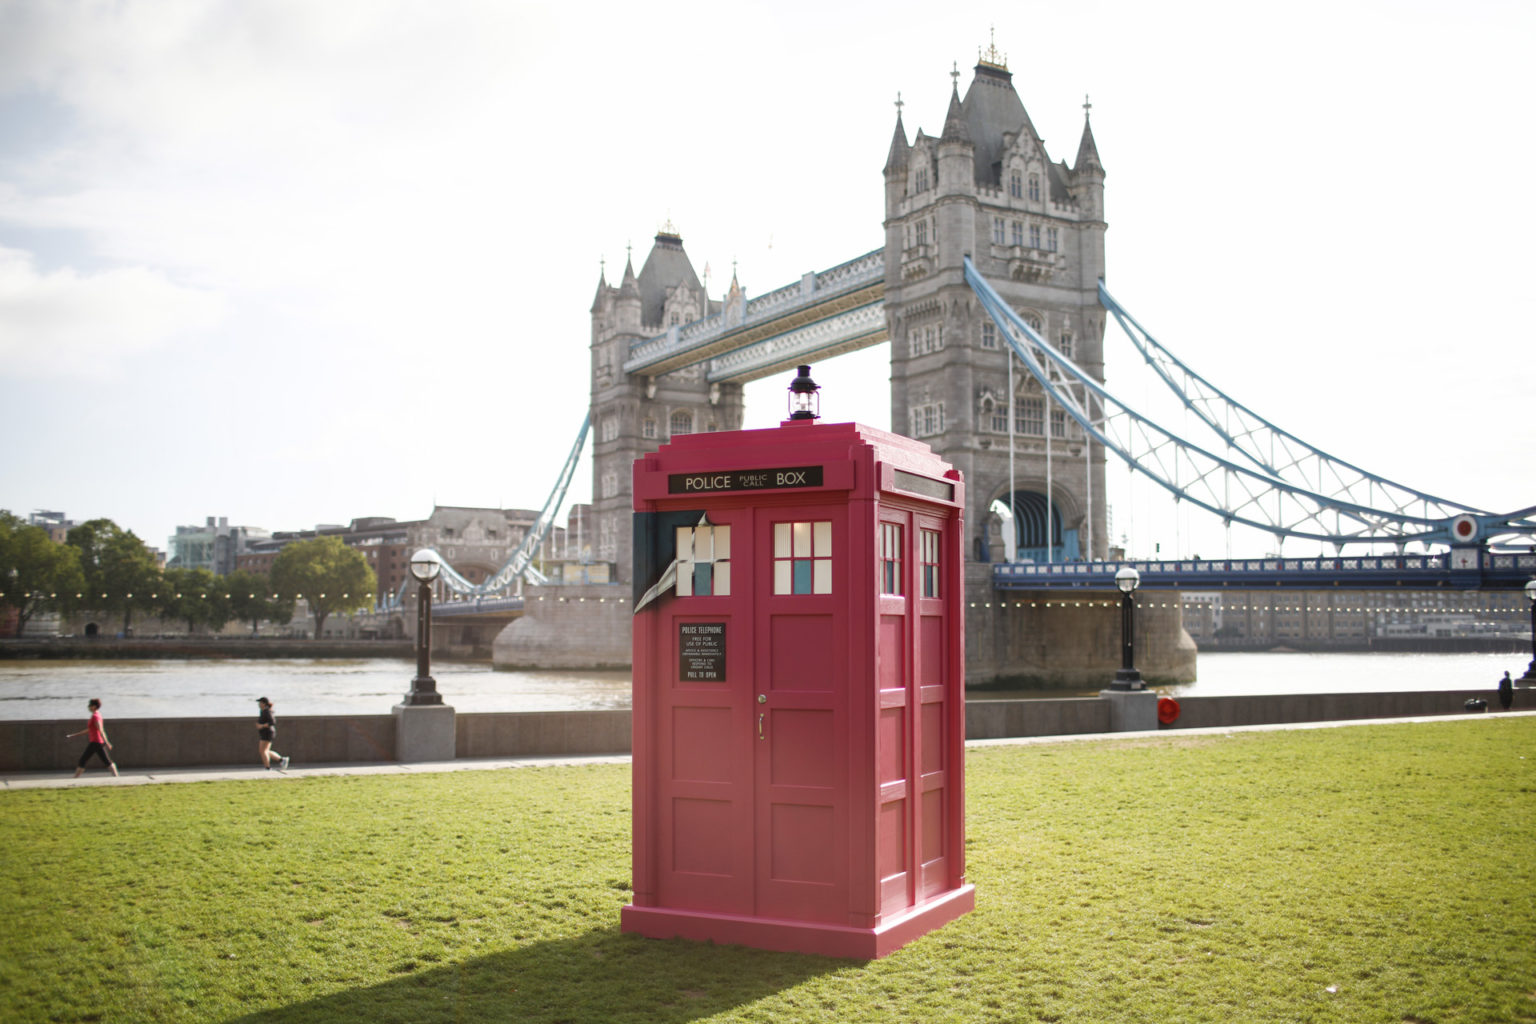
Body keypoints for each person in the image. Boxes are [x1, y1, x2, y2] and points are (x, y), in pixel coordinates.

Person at [67, 698, 119, 778]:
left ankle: (75, 778)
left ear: (94, 706)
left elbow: (101, 730)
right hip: (96, 742)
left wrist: (107, 743)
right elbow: (90, 730)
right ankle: (116, 777)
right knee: (106, 761)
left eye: (90, 705)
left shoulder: (95, 716)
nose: (88, 707)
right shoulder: (97, 715)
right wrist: (75, 735)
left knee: (84, 760)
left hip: (96, 742)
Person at [254, 697, 290, 770]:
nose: (259, 704)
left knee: (263, 751)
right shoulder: (264, 711)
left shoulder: (267, 711)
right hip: (266, 733)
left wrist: (261, 726)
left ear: (264, 703)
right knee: (265, 751)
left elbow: (272, 722)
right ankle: (282, 760)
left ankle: (267, 768)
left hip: (267, 733)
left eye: (260, 703)